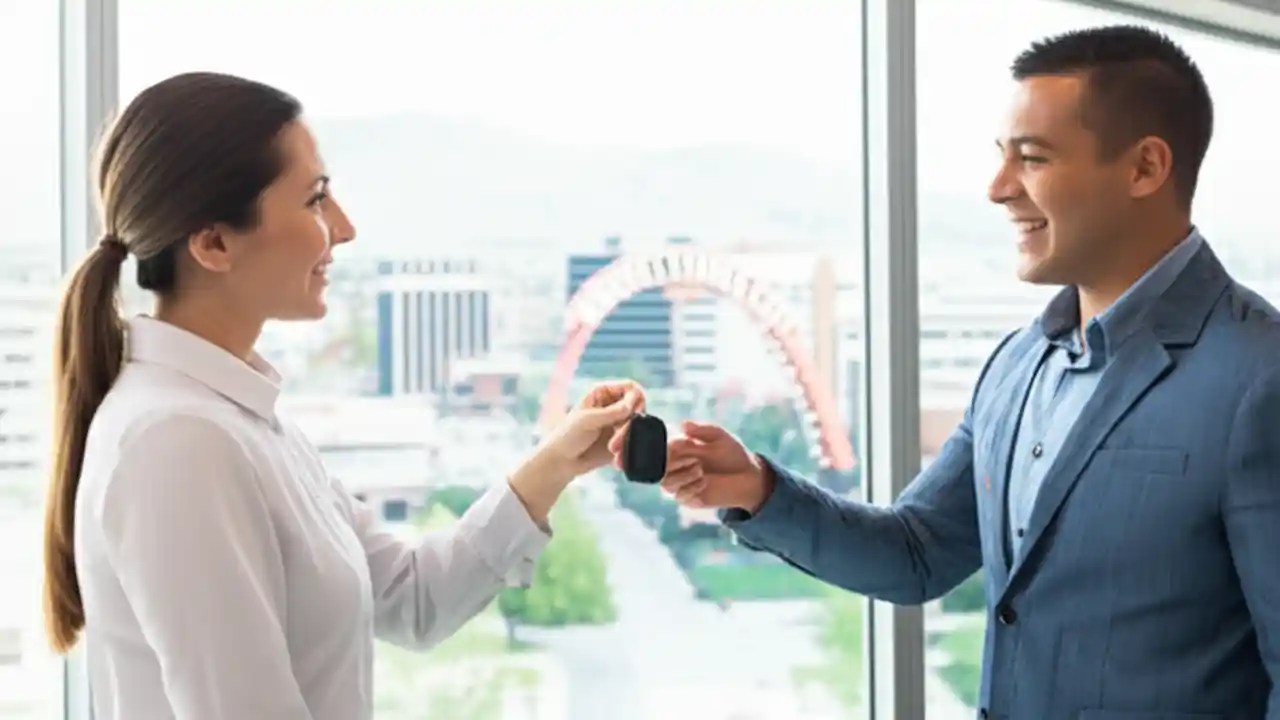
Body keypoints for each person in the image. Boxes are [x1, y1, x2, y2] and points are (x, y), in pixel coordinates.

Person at [656, 25, 1280, 719]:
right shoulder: (1017, 364)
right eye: (1001, 157)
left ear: (1144, 168)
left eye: (1032, 158)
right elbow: (916, 553)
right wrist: (757, 489)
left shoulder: (1260, 377)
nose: (997, 188)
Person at [41, 71, 645, 720]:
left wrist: (554, 462)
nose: (345, 228)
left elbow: (413, 599)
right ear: (214, 242)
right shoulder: (179, 443)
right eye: (315, 200)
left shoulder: (239, 422)